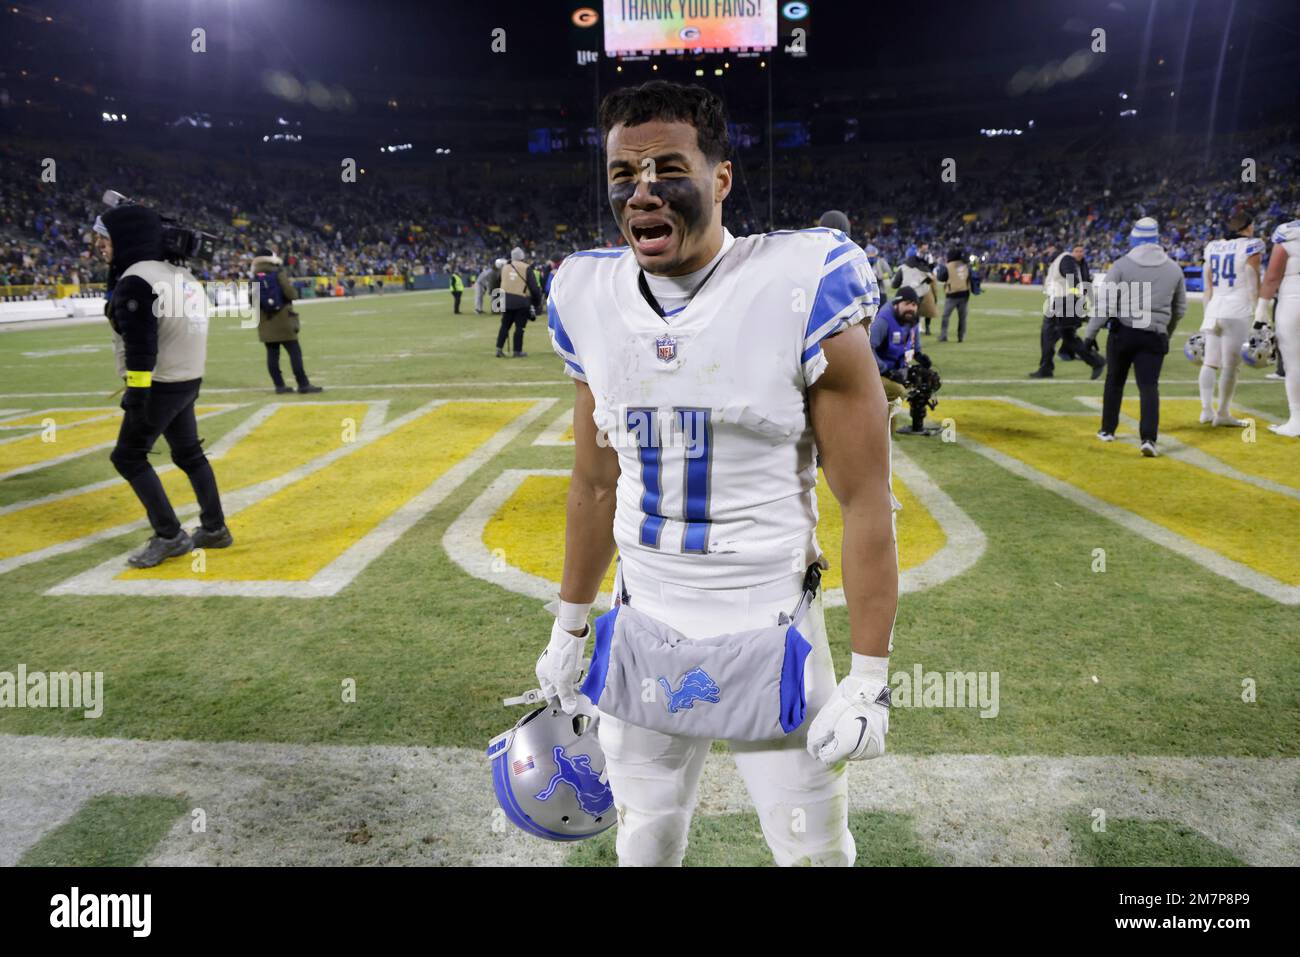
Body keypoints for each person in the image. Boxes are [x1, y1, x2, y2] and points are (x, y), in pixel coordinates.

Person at [538, 80, 895, 868]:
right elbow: (595, 484)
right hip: (643, 620)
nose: (642, 192)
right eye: (623, 176)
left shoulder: (802, 282)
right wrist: (569, 623)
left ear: (720, 179)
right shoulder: (585, 294)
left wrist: (870, 675)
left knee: (814, 854)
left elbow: (866, 497)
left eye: (668, 168)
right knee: (646, 841)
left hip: (771, 627)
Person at [97, 202, 233, 567]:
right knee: (189, 454)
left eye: (105, 237)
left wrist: (137, 393)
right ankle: (214, 528)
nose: (99, 245)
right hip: (188, 378)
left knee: (127, 456)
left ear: (126, 238)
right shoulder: (181, 275)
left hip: (159, 383)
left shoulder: (138, 280)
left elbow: (141, 348)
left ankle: (169, 535)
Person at [1083, 217, 1186, 456]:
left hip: (1124, 332)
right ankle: (1149, 438)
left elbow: (1105, 304)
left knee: (1114, 381)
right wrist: (1165, 332)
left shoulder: (1121, 265)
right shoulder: (1173, 268)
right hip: (1154, 334)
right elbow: (1180, 309)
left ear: (1135, 239)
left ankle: (1107, 430)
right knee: (1149, 387)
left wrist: (1090, 334)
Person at [1198, 211, 1263, 426]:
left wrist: (1207, 313)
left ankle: (1206, 410)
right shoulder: (1251, 245)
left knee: (1209, 363)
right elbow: (1252, 281)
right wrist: (1260, 313)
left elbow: (1207, 287)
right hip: (1237, 308)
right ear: (1248, 227)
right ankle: (1223, 414)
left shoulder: (1212, 246)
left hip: (1214, 307)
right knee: (1230, 366)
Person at [1030, 243, 1105, 380]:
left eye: (1050, 249)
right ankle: (1046, 368)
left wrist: (1074, 302)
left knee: (1061, 336)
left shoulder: (1064, 259)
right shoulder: (1060, 261)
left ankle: (1096, 362)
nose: (1047, 251)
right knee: (1051, 335)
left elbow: (1073, 281)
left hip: (1063, 302)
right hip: (1058, 302)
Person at [253, 248, 322, 394]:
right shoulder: (278, 272)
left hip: (265, 321)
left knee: (272, 355)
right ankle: (303, 384)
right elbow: (290, 293)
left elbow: (252, 301)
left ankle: (279, 386)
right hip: (283, 319)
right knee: (294, 351)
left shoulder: (254, 277)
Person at [1258, 216, 1300, 436]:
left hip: (1294, 296)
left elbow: (1272, 277)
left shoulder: (1288, 232)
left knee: (1293, 363)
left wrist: (1261, 310)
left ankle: (1297, 420)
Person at [869, 286, 925, 424]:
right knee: (897, 390)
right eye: (906, 304)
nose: (911, 308)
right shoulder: (883, 320)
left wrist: (921, 357)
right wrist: (886, 370)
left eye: (914, 304)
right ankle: (886, 430)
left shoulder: (912, 320)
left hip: (897, 369)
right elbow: (867, 348)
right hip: (875, 372)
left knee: (926, 380)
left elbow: (915, 346)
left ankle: (917, 424)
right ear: (896, 304)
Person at [495, 246, 541, 358]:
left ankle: (499, 349)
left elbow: (498, 283)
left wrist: (496, 302)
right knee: (520, 327)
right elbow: (534, 288)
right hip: (521, 301)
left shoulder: (504, 267)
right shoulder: (526, 268)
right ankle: (517, 351)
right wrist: (536, 302)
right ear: (522, 257)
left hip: (505, 299)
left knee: (504, 325)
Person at [894, 245, 938, 335]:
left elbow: (895, 284)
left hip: (908, 294)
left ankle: (910, 331)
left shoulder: (904, 267)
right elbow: (931, 278)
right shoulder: (922, 265)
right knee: (923, 311)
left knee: (909, 315)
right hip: (922, 292)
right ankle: (922, 329)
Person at [935, 246, 971, 342]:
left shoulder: (948, 266)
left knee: (946, 316)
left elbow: (940, 277)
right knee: (962, 318)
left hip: (952, 295)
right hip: (964, 294)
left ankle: (943, 336)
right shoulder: (965, 265)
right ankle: (961, 337)